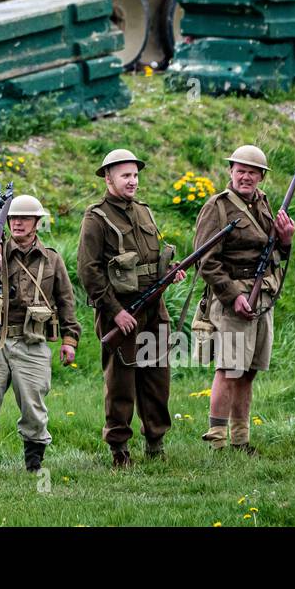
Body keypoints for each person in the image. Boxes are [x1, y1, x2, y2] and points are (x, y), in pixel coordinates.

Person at [77, 149, 185, 467]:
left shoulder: (145, 213)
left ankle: (155, 443)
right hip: (122, 313)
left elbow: (150, 261)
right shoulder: (96, 217)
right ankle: (119, 450)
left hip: (154, 311)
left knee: (156, 380)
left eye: (135, 175)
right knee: (121, 384)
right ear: (108, 178)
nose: (133, 181)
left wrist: (170, 273)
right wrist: (114, 311)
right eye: (126, 175)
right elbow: (89, 270)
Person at [193, 145, 295, 454]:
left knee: (249, 369)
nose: (245, 176)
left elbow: (273, 253)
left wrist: (286, 241)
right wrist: (233, 295)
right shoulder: (218, 207)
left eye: (252, 171)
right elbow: (205, 261)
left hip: (261, 296)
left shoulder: (263, 204)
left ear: (262, 176)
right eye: (240, 170)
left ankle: (240, 440)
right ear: (230, 171)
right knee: (229, 369)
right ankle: (217, 439)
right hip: (232, 299)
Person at [0, 194, 79, 473]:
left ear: (36, 223)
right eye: (13, 218)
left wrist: (69, 339)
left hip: (33, 342)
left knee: (34, 408)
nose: (17, 223)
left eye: (24, 218)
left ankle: (34, 466)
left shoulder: (52, 259)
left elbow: (66, 301)